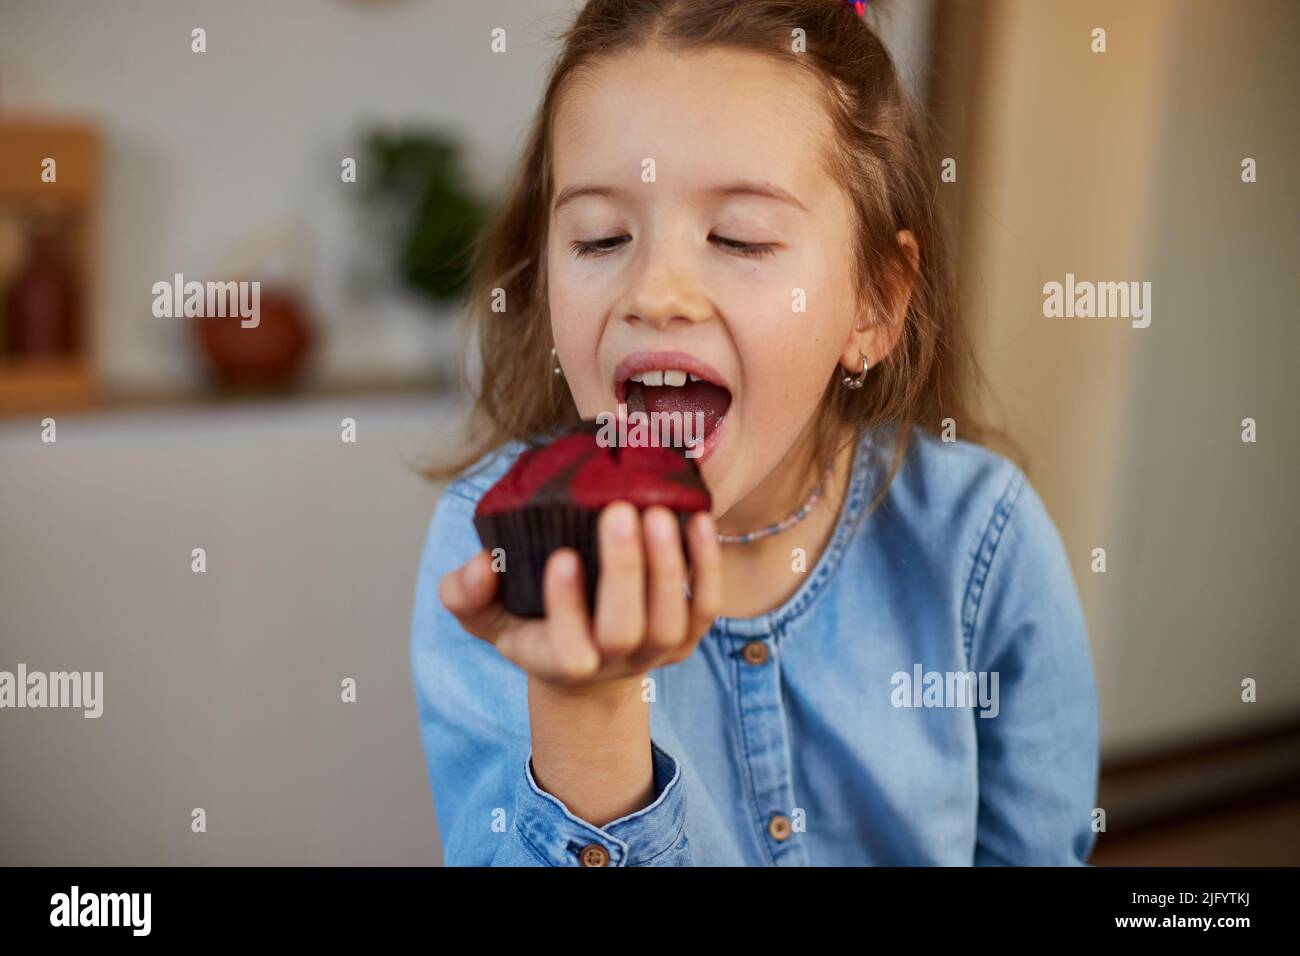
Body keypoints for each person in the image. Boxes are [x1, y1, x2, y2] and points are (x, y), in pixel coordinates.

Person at [410, 0, 1099, 866]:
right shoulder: (498, 551)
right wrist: (585, 713)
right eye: (600, 237)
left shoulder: (984, 542)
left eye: (739, 237)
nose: (654, 292)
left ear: (876, 301)